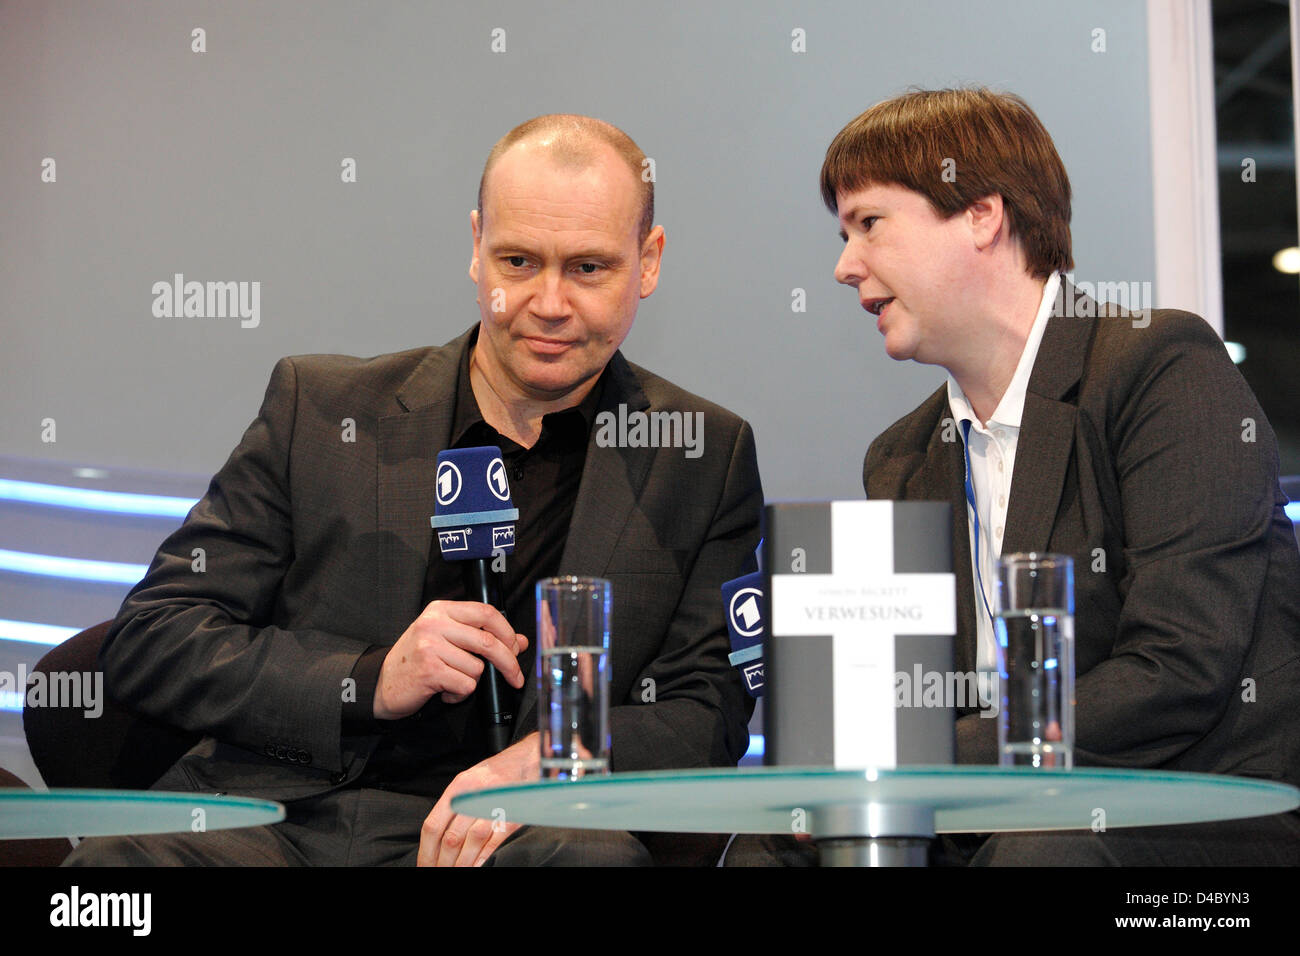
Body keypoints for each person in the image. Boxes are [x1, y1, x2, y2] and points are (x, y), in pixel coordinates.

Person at [65, 114, 762, 867]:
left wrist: (556, 758)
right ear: (476, 249)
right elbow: (156, 635)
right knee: (116, 872)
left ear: (647, 262)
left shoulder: (702, 453)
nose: (550, 302)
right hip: (277, 821)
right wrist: (367, 679)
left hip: (523, 832)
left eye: (588, 268)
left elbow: (707, 711)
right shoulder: (321, 406)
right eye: (519, 262)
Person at [730, 87, 1300, 867]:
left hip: (1194, 812)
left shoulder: (1158, 368)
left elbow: (1179, 671)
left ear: (981, 216)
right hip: (994, 809)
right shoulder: (901, 457)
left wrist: (920, 764)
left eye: (869, 224)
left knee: (1041, 855)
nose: (842, 266)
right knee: (775, 845)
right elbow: (916, 709)